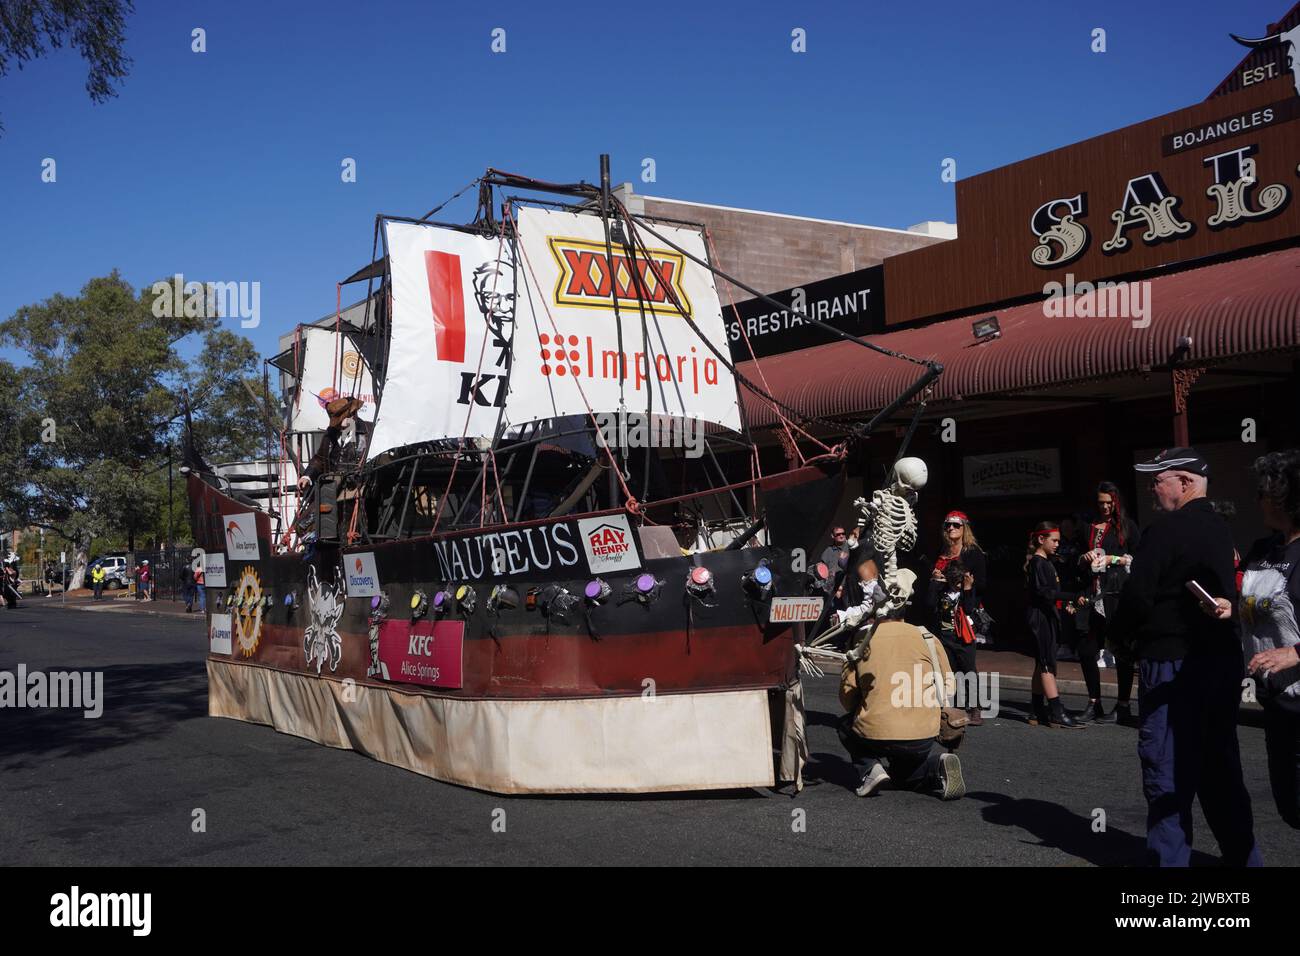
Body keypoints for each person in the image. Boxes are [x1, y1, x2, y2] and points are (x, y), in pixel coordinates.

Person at [1112, 446, 1261, 866]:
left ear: (1184, 482)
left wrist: (1118, 639)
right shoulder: (1221, 529)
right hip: (1219, 660)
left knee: (1168, 769)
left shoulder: (1165, 530)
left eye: (1158, 479)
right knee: (1220, 768)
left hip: (1171, 659)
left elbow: (1137, 596)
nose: (1151, 487)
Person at [1216, 450, 1300, 829]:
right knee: (1291, 806)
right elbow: (1256, 604)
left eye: (1264, 492)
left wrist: (1296, 652)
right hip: (1276, 701)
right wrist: (1228, 608)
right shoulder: (1263, 549)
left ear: (1285, 497)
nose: (1257, 500)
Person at [836, 568, 966, 800]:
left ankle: (870, 769)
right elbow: (948, 686)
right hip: (922, 735)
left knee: (845, 725)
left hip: (876, 733)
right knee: (904, 776)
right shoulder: (927, 637)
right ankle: (937, 765)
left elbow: (847, 696)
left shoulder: (862, 639)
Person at [1075, 482, 1139, 724]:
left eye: (1109, 502)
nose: (1104, 507)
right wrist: (1084, 557)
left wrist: (1116, 559)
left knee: (1121, 649)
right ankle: (1094, 702)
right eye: (1101, 502)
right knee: (1086, 649)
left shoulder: (1127, 526)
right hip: (1091, 592)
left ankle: (1123, 705)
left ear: (1116, 502)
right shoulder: (1088, 527)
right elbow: (1075, 558)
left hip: (1116, 592)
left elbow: (1140, 558)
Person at [926, 510, 988, 723]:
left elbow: (984, 583)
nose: (951, 528)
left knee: (967, 663)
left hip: (964, 613)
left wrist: (967, 587)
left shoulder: (973, 552)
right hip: (943, 613)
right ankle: (959, 705)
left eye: (955, 525)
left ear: (964, 528)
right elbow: (933, 587)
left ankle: (975, 706)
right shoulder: (942, 553)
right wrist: (937, 582)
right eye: (947, 525)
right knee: (949, 664)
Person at [1025, 522, 1086, 728]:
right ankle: (1056, 711)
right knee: (1046, 663)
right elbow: (1044, 593)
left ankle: (1036, 709)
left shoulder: (1047, 562)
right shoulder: (1038, 563)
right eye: (1054, 540)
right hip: (1040, 618)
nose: (1058, 544)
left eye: (1059, 540)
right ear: (1041, 540)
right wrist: (1071, 596)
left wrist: (1067, 602)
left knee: (1041, 662)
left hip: (1046, 615)